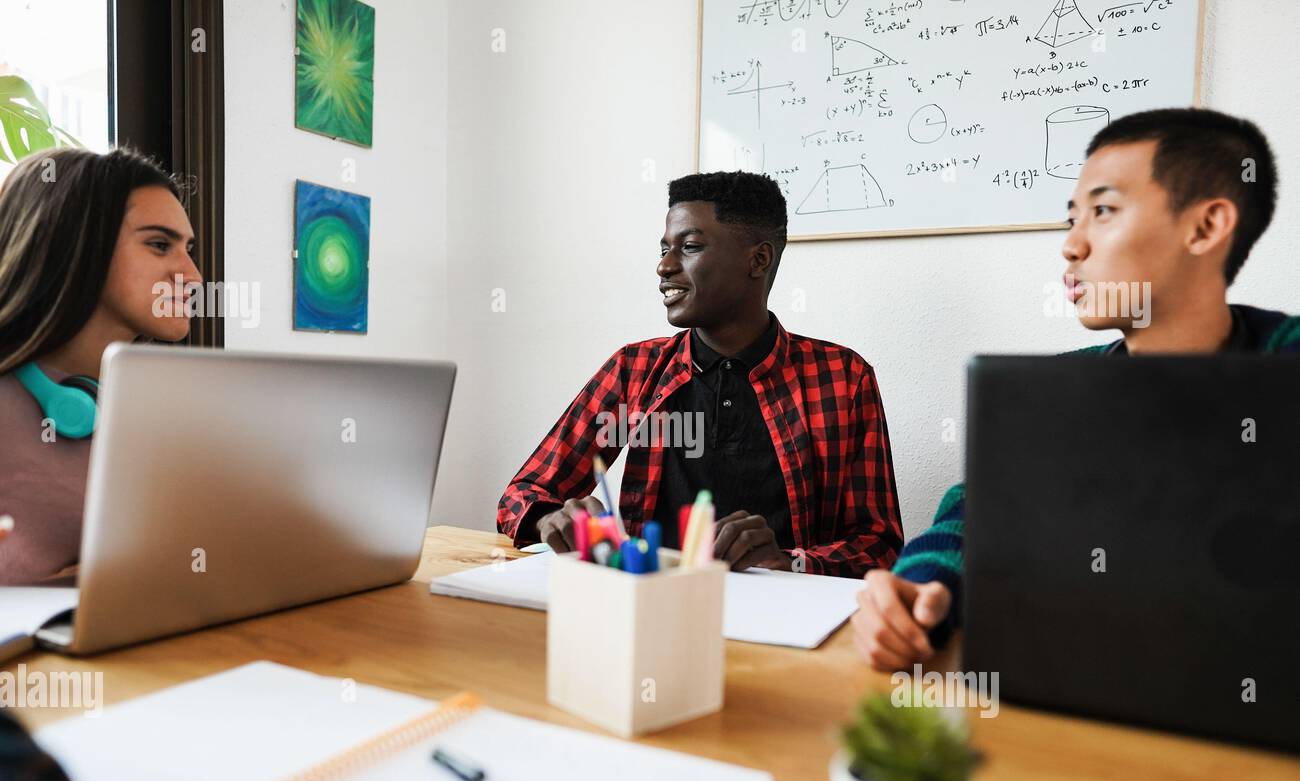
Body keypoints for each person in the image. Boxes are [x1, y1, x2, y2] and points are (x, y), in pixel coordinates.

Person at [853, 107, 1300, 671]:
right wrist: (920, 589)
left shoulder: (1286, 359)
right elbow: (973, 518)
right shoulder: (1059, 388)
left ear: (1206, 227)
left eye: (1103, 212)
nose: (1071, 246)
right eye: (1072, 218)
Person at [498, 171, 903, 576]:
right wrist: (549, 519)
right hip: (651, 607)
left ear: (757, 260)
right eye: (664, 249)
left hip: (784, 622)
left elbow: (878, 545)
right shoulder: (634, 370)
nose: (664, 266)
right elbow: (523, 494)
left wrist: (790, 562)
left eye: (689, 247)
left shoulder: (843, 378)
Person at [0, 147, 201, 585]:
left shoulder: (155, 410)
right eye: (159, 245)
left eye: (187, 249)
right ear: (72, 242)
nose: (192, 275)